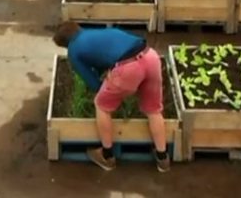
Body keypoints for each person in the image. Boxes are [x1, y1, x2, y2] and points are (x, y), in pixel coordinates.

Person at [52, 22, 170, 172]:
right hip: (150, 56)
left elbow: (92, 82)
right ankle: (162, 158)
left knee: (101, 105)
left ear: (65, 44)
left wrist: (105, 87)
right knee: (153, 110)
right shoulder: (94, 33)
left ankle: (106, 156)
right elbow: (111, 52)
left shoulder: (73, 50)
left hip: (128, 68)